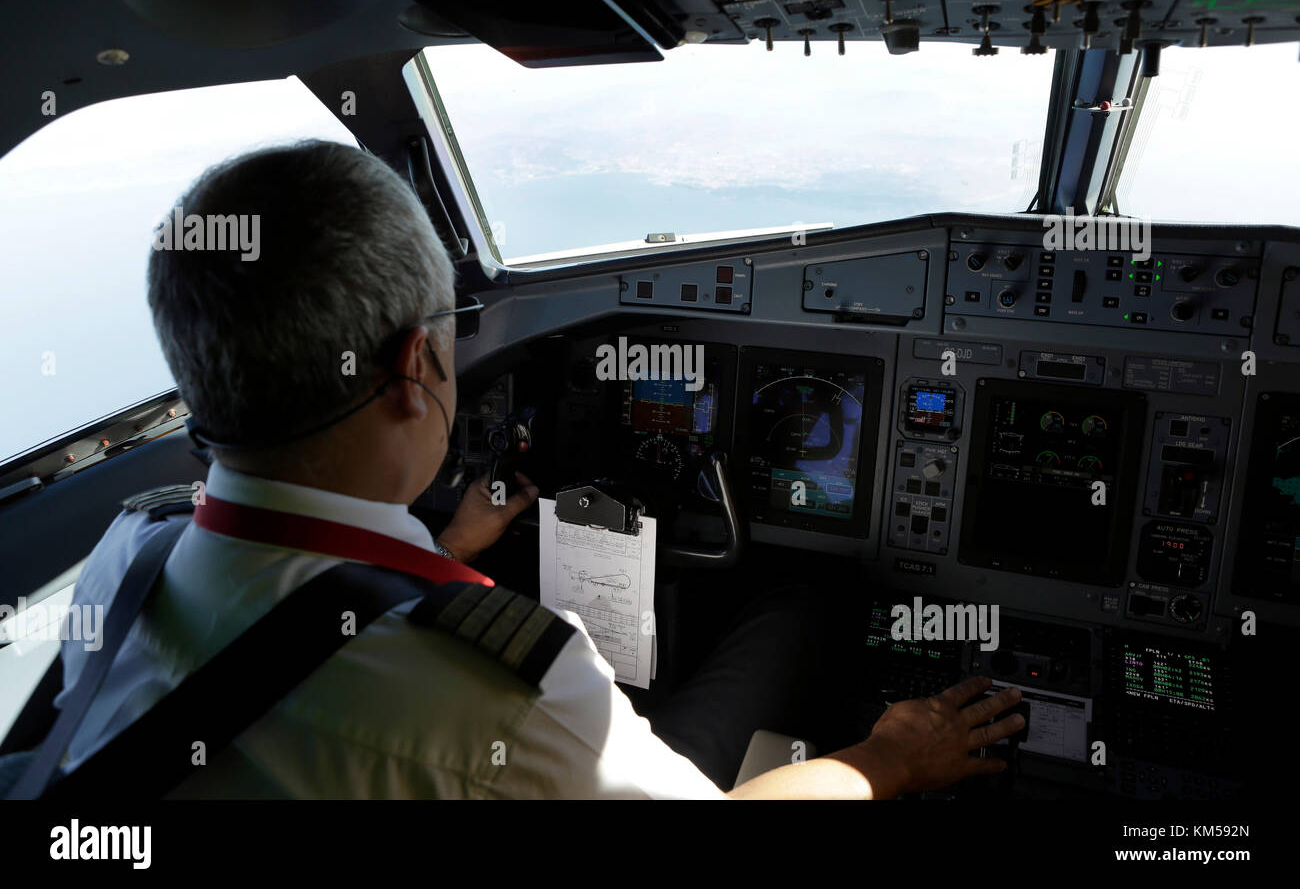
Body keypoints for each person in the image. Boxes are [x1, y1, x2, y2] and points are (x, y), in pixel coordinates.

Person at [55, 139, 1024, 798]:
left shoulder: (124, 562)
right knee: (797, 606)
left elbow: (283, 635)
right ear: (412, 372)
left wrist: (439, 546)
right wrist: (894, 753)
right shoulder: (506, 689)